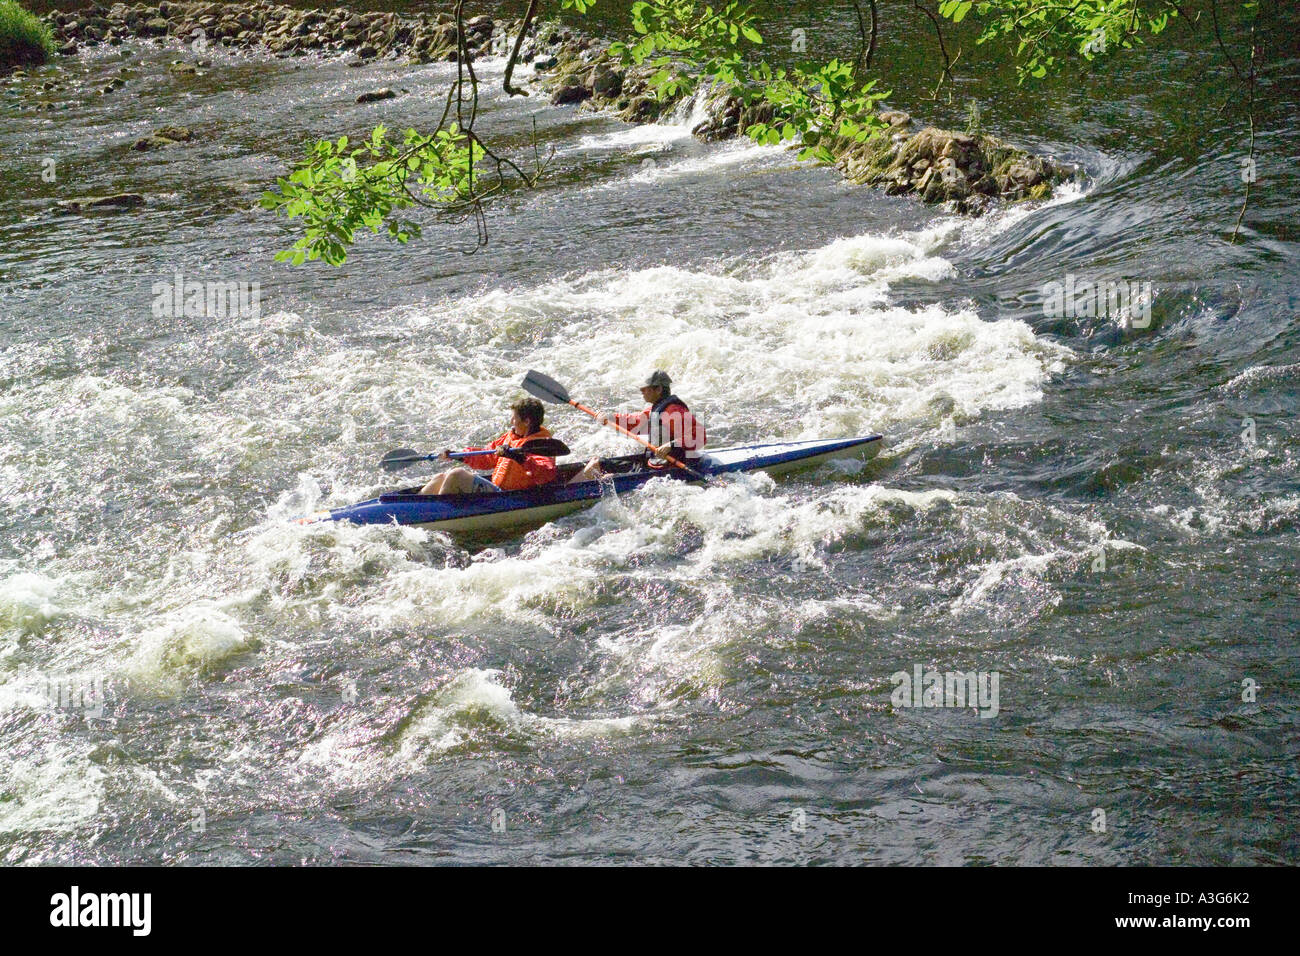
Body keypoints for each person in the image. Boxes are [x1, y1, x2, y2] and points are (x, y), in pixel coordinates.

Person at [568, 370, 706, 484]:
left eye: (644, 389)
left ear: (658, 389)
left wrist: (672, 444)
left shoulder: (674, 410)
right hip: (653, 464)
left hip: (668, 470)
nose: (641, 391)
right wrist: (609, 418)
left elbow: (700, 437)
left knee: (606, 478)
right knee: (596, 464)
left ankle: (574, 496)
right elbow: (635, 421)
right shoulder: (657, 408)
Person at [420, 398, 557, 495]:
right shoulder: (511, 436)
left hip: (512, 497)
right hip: (497, 491)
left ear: (526, 421)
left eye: (514, 418)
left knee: (457, 475)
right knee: (440, 477)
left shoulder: (541, 444)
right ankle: (417, 509)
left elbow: (546, 474)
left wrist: (518, 458)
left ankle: (438, 516)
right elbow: (486, 457)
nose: (511, 422)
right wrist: (459, 455)